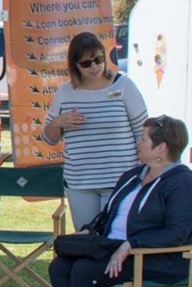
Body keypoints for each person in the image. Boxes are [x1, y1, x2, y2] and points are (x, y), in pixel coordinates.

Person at [47, 115, 192, 287]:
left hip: (155, 258)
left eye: (143, 139)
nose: (137, 143)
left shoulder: (183, 183)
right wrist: (89, 231)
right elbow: (107, 214)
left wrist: (131, 244)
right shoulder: (132, 175)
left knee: (84, 271)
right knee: (59, 267)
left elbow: (176, 233)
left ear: (161, 148)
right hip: (113, 250)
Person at [41, 31, 148, 230]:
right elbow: (48, 138)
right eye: (86, 63)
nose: (94, 66)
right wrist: (58, 122)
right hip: (80, 182)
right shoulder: (65, 92)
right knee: (85, 237)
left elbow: (142, 132)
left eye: (98, 59)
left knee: (114, 236)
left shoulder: (124, 86)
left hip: (119, 178)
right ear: (75, 65)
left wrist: (143, 170)